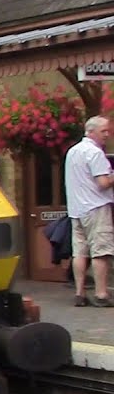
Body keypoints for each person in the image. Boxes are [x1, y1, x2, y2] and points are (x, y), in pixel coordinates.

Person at [64, 116, 114, 307]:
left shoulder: (73, 151)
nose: (107, 135)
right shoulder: (95, 153)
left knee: (80, 253)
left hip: (77, 209)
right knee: (101, 252)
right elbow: (103, 183)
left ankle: (79, 293)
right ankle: (101, 294)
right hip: (96, 207)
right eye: (104, 131)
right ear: (91, 131)